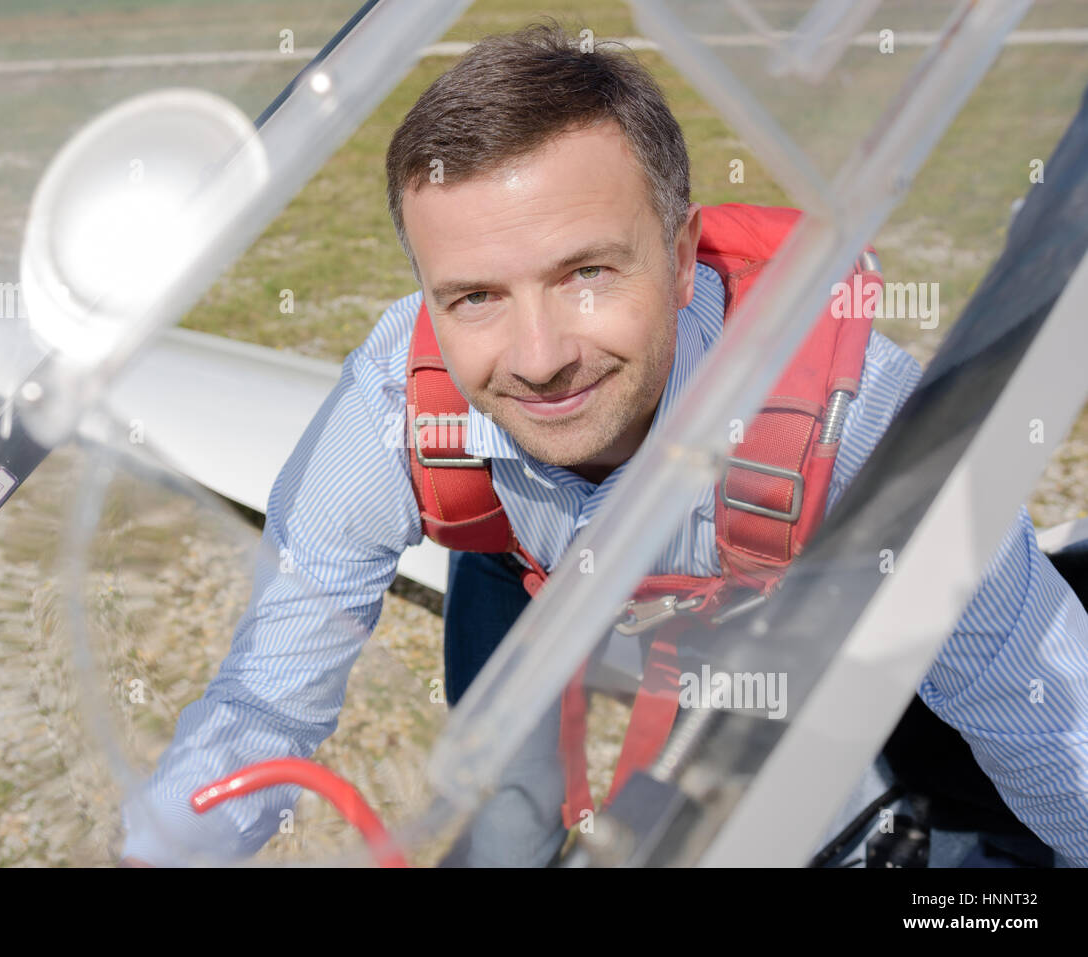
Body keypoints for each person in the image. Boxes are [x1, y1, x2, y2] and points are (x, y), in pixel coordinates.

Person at [120, 23, 1088, 867]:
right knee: (501, 822)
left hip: (767, 597)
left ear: (676, 259)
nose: (538, 361)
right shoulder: (395, 395)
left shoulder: (855, 418)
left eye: (585, 273)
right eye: (475, 297)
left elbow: (1048, 714)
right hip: (526, 573)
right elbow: (263, 699)